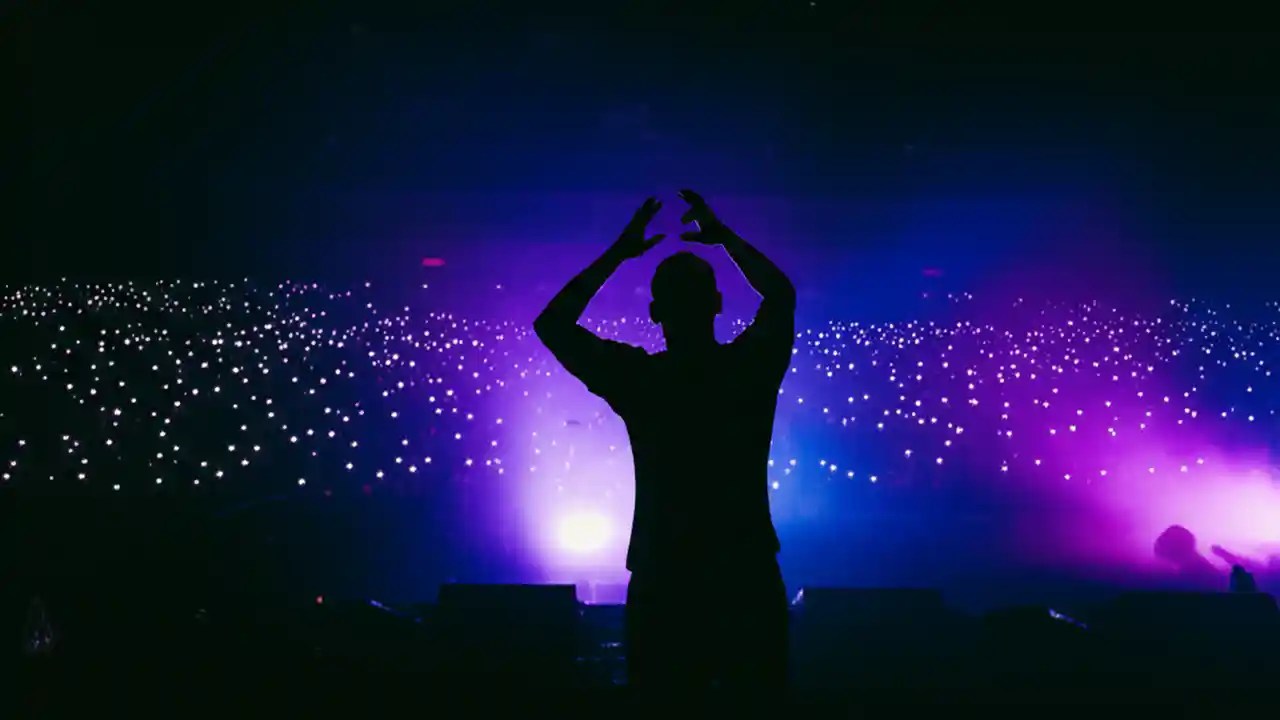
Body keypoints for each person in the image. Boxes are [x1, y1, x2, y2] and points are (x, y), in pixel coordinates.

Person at [534, 190, 796, 694]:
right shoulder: (747, 371)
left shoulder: (642, 381)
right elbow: (780, 294)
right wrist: (726, 240)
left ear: (655, 312)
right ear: (717, 303)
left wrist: (618, 253)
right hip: (743, 570)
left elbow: (552, 324)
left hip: (664, 573)